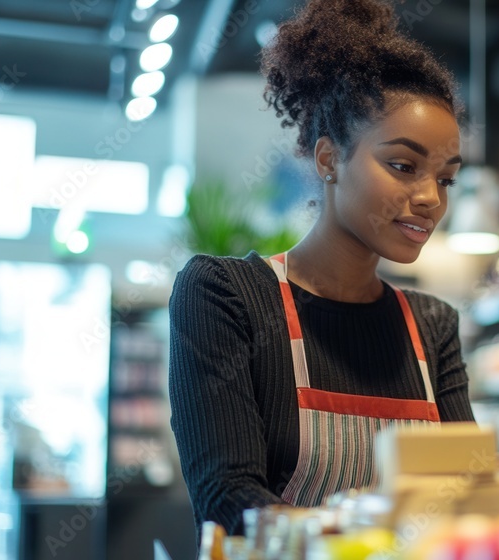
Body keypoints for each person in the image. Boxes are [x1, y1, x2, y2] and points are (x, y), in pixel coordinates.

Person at [168, 0, 475, 535]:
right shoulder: (225, 296)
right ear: (329, 158)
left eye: (445, 178)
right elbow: (228, 499)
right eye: (403, 165)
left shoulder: (433, 326)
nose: (431, 197)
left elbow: (464, 494)